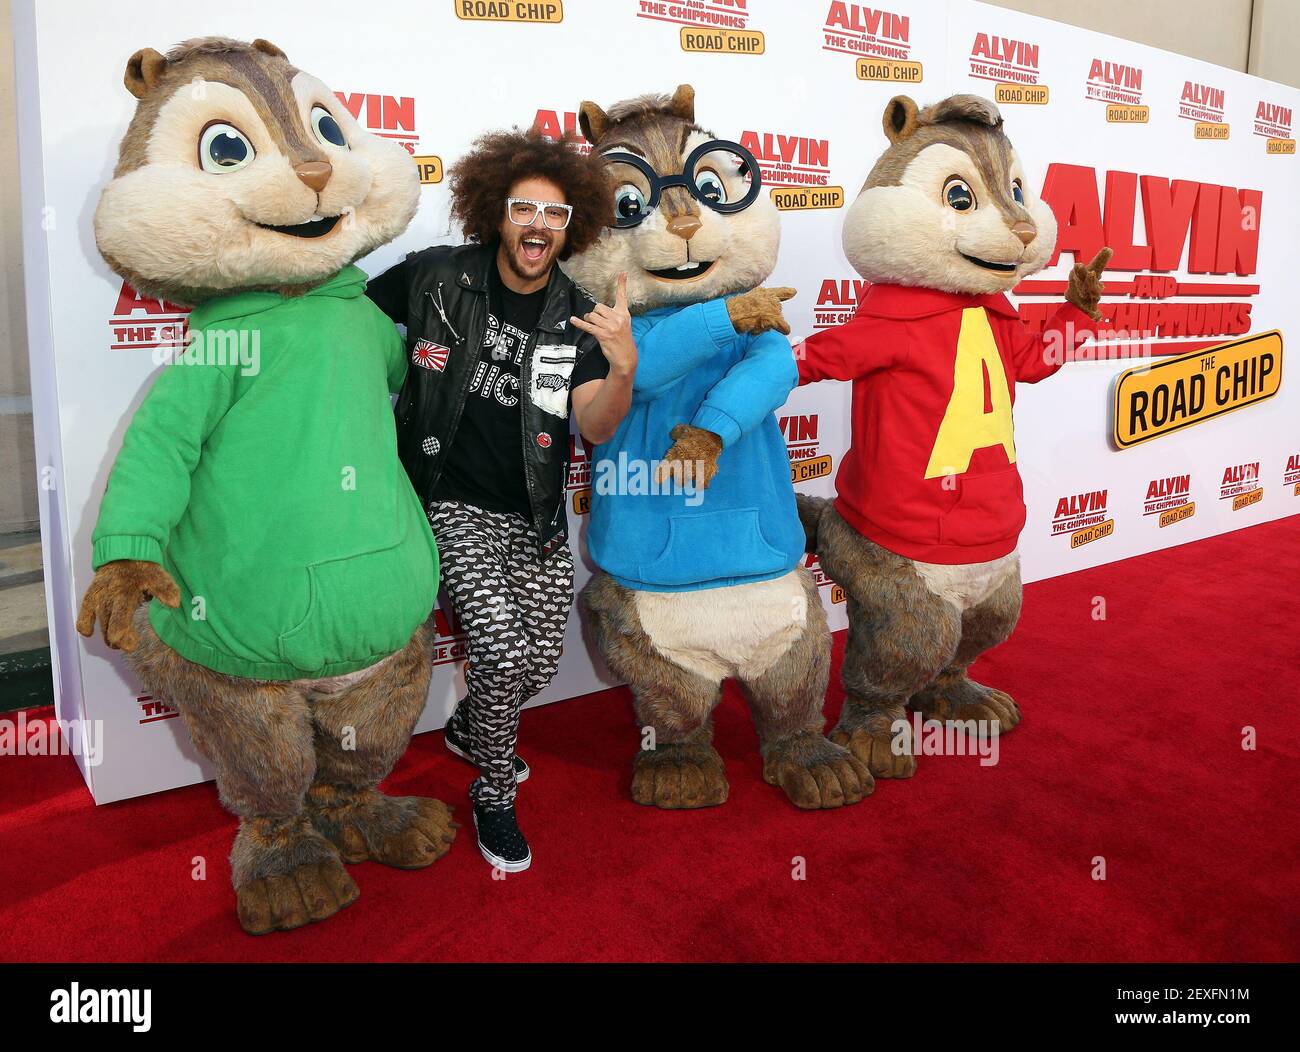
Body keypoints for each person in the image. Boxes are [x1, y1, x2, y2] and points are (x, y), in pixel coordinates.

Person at [366, 129, 633, 872]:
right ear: (497, 213)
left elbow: (594, 424)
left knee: (537, 664)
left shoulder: (576, 315)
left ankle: (468, 732)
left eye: (554, 214)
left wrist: (623, 368)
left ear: (569, 226)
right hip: (449, 503)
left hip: (536, 517)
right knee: (501, 648)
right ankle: (492, 794)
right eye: (524, 209)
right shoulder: (436, 277)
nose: (538, 225)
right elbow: (348, 311)